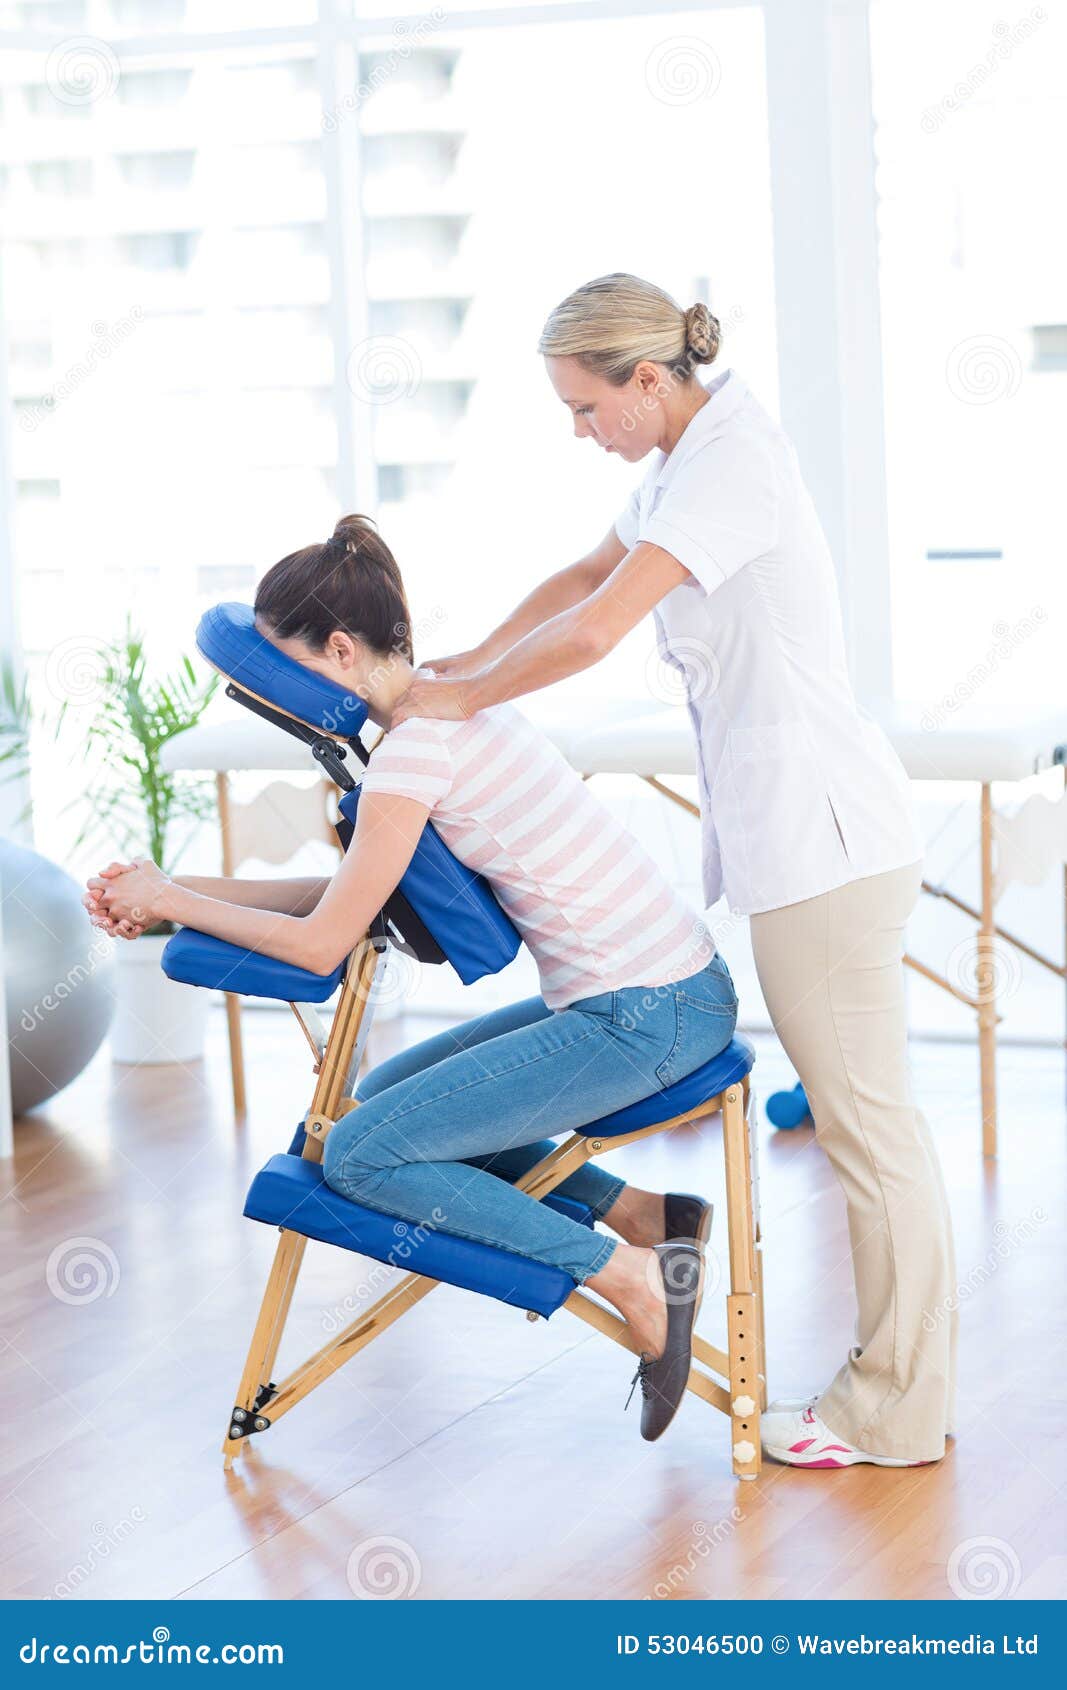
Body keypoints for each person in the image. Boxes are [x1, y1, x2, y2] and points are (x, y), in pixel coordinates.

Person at [389, 273, 957, 1470]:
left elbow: (598, 633)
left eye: (586, 408)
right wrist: (465, 657)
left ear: (647, 381)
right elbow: (579, 584)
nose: (579, 432)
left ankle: (892, 1411)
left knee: (868, 1135)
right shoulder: (676, 462)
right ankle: (891, 1392)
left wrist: (463, 697)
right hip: (800, 846)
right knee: (871, 1131)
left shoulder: (731, 464)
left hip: (826, 847)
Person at [85, 511, 741, 1442]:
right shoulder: (445, 700)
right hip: (671, 993)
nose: (283, 698)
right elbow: (351, 893)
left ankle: (624, 1275)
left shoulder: (413, 750)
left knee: (362, 1153)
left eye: (288, 670)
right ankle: (646, 1214)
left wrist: (171, 899)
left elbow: (320, 943)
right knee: (382, 1097)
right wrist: (170, 891)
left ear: (341, 651)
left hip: (643, 1017)